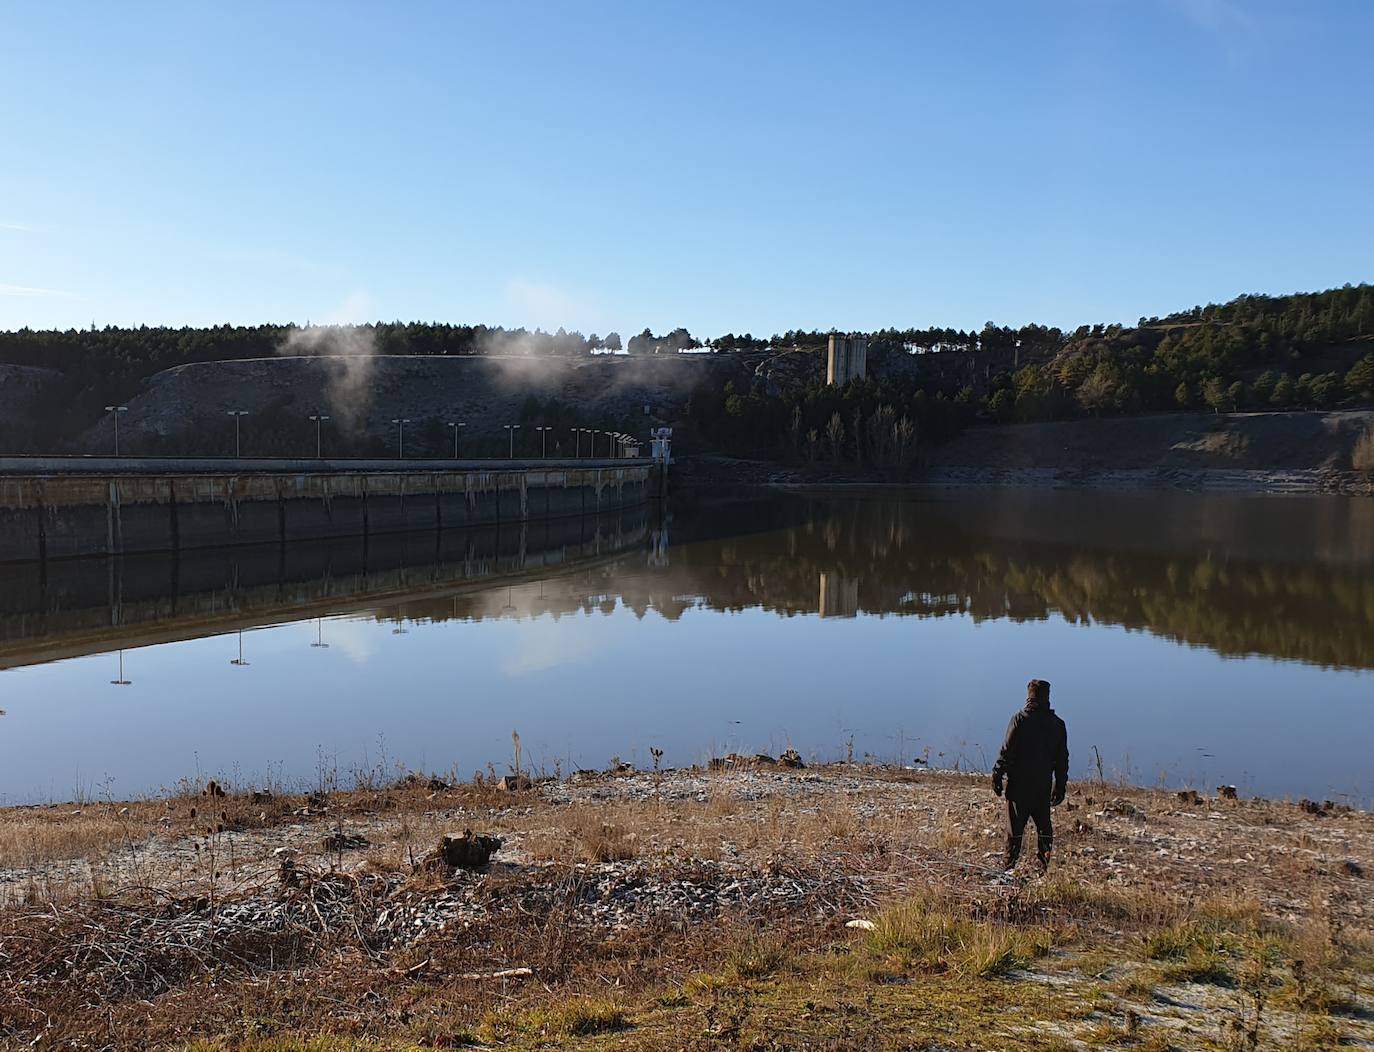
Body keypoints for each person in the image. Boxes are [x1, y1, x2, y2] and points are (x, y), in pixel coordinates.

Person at [991, 679, 1068, 874]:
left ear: (1029, 696)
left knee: (1014, 833)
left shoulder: (1020, 720)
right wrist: (1060, 786)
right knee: (1044, 830)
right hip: (1042, 787)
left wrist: (997, 775)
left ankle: (1008, 869)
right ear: (1047, 697)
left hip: (1018, 787)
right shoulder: (1057, 725)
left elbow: (1006, 751)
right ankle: (1042, 868)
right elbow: (1062, 760)